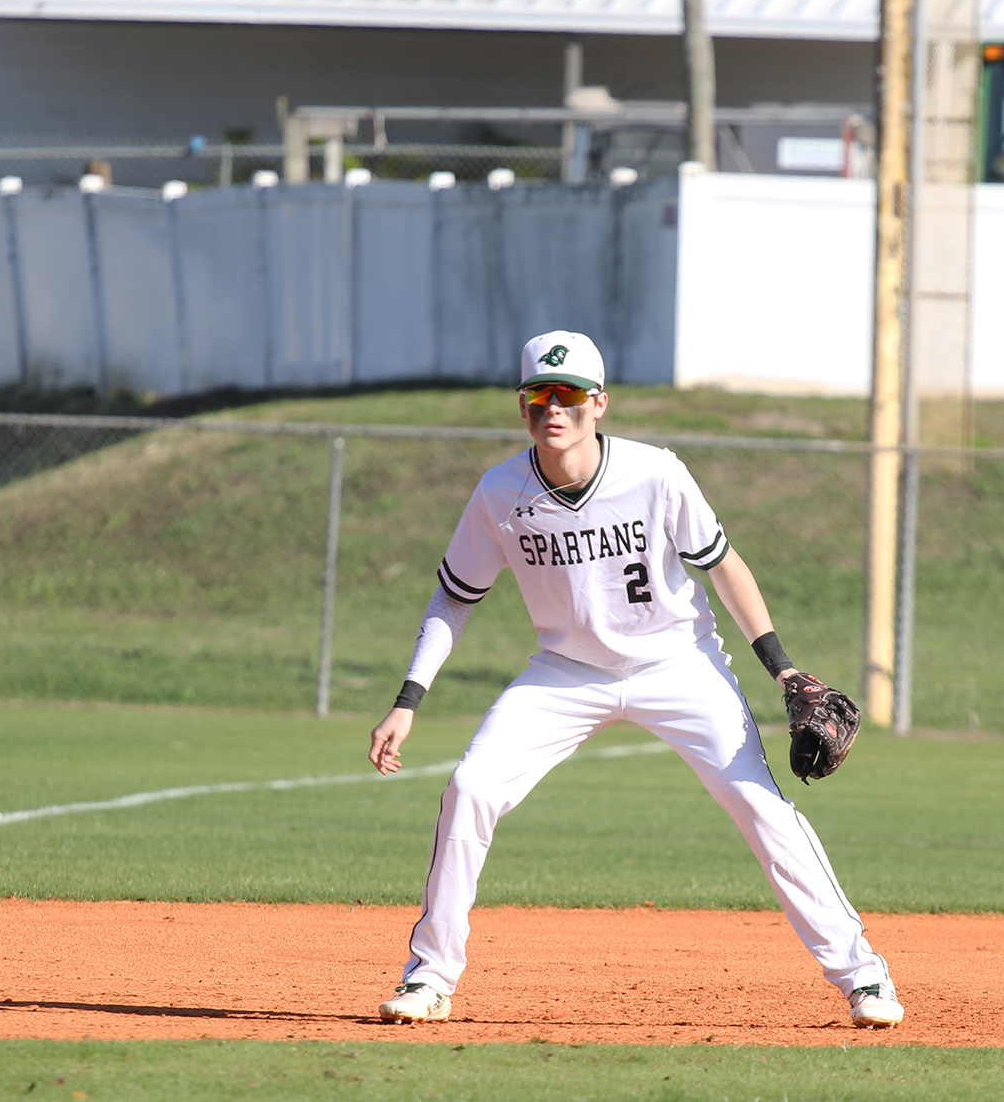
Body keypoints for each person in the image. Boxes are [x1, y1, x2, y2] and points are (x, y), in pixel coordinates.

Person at [367, 330, 901, 1029]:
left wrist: (784, 666)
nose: (552, 408)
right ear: (522, 407)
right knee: (469, 788)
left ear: (599, 403)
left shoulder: (656, 473)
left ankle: (864, 977)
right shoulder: (499, 492)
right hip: (564, 672)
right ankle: (429, 978)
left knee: (761, 808)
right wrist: (409, 698)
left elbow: (725, 564)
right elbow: (454, 597)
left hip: (677, 662)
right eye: (538, 396)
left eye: (568, 395)